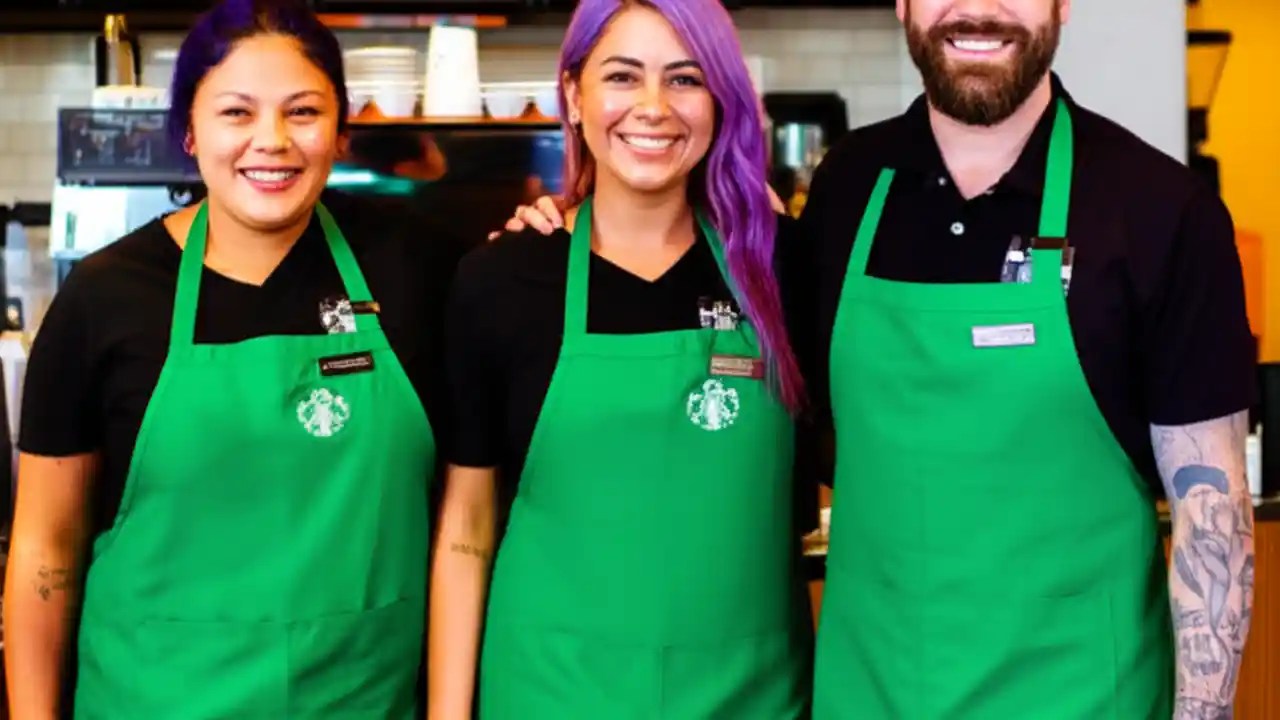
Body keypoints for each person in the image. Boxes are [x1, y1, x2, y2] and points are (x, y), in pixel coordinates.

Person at [502, 0, 1258, 717]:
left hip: (1081, 697)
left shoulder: (1163, 211)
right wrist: (571, 226)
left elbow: (1213, 518)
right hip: (869, 695)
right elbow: (689, 254)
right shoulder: (846, 190)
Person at [2, 1, 467, 717]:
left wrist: (552, 221)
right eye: (237, 113)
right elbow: (45, 549)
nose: (272, 142)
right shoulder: (106, 299)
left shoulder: (416, 266)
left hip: (361, 698)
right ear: (189, 130)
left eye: (303, 112)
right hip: (154, 698)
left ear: (340, 130)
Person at [427, 0, 815, 717]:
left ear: (721, 100)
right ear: (573, 94)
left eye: (685, 79)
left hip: (751, 695)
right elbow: (466, 534)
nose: (654, 107)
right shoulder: (502, 280)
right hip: (550, 694)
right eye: (623, 77)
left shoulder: (789, 271)